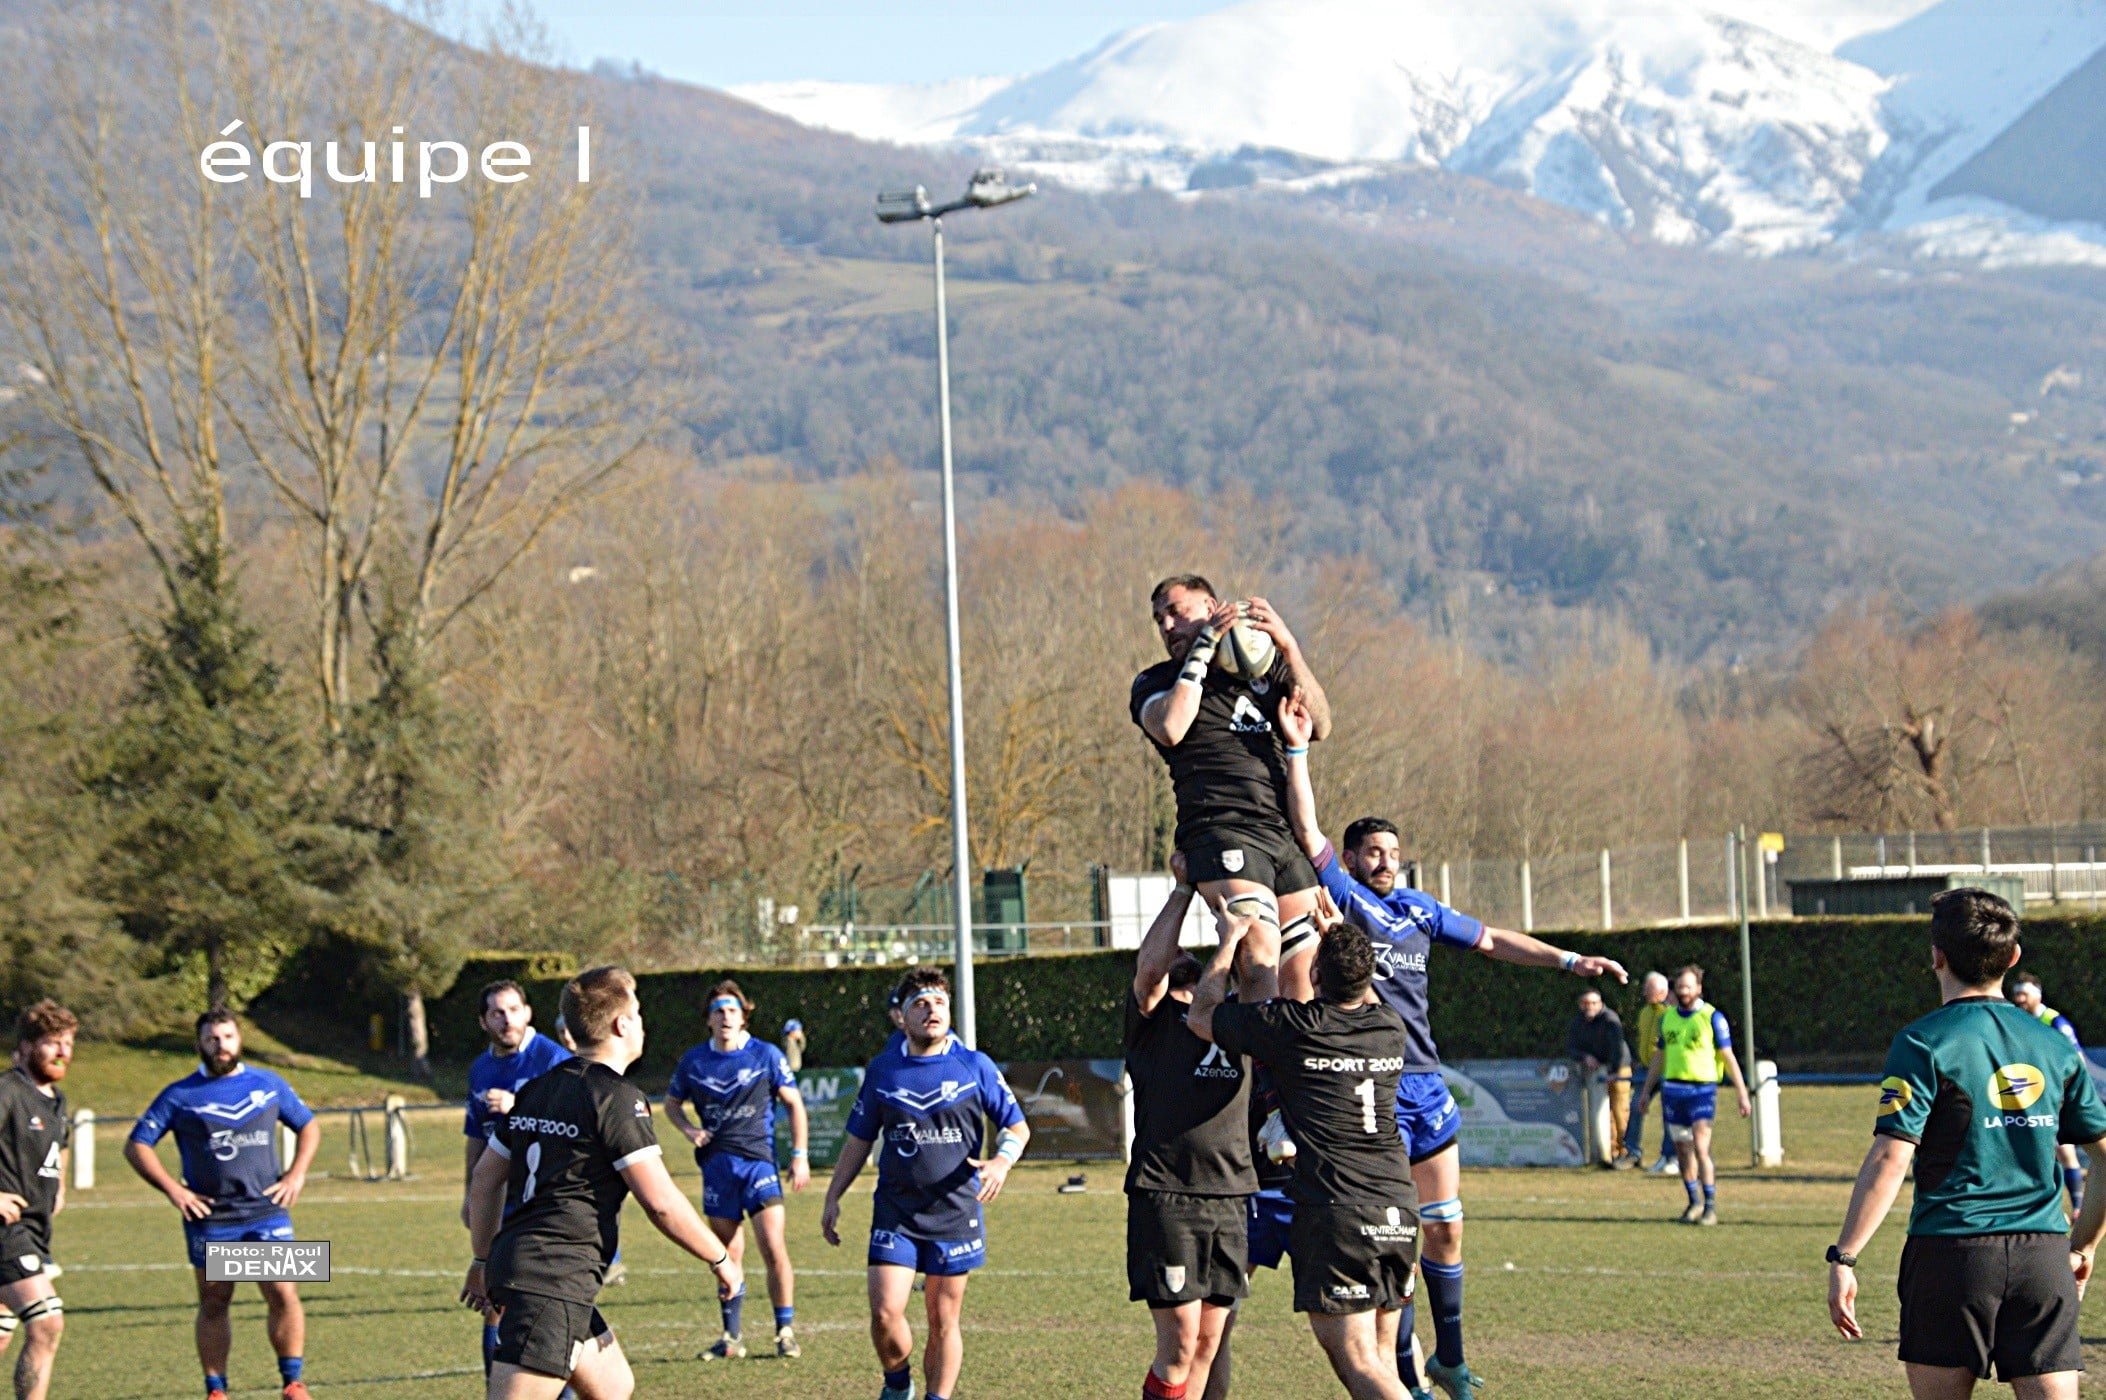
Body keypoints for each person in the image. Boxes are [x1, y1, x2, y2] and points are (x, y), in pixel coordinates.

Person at [1277, 695, 1625, 1400]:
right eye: (1372, 852)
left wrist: (1567, 962)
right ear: (1349, 859)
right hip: (1373, 1087)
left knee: (1448, 1231)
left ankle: (1450, 1358)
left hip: (1427, 1084)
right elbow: (1305, 825)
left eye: (1393, 854)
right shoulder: (1344, 897)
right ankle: (1405, 1374)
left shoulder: (1418, 911)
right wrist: (1298, 751)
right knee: (1396, 1243)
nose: (1384, 862)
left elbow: (1494, 940)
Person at [1828, 888, 2106, 1400]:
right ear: (2013, 958)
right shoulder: (2053, 1045)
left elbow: (1892, 1156)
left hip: (1950, 1253)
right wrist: (2081, 1245)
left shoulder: (1922, 1040)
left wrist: (1844, 1258)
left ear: (1937, 957)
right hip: (2043, 1257)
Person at [461, 965, 742, 1400]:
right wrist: (721, 1259)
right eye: (639, 1012)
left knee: (613, 1386)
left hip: (527, 1267)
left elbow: (484, 1179)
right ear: (621, 1023)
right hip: (553, 1280)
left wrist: (482, 1260)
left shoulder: (539, 1088)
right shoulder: (618, 1099)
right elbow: (661, 1203)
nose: (643, 1023)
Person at [1191, 915, 1418, 1400]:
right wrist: (1339, 932)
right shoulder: (1389, 1028)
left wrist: (1229, 943)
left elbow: (1199, 1017)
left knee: (1358, 1362)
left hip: (1340, 1208)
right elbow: (1362, 991)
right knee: (1380, 1361)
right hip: (1399, 1206)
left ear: (1315, 974)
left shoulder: (1295, 1027)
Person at [820, 967, 1029, 1400]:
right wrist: (834, 1194)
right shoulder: (882, 1071)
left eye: (939, 1002)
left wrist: (1001, 1162)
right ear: (900, 1017)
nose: (931, 1009)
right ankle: (898, 1383)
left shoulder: (975, 1066)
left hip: (955, 1212)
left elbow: (1017, 1127)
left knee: (943, 1320)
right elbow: (859, 1139)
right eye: (920, 1003)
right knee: (884, 1314)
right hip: (896, 1213)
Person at [1132, 574, 1332, 1000]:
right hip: (1220, 829)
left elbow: (1322, 725)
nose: (1167, 627)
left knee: (1308, 975)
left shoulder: (1261, 669)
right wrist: (1202, 649)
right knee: (1258, 953)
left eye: (1176, 612)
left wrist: (1289, 647)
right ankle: (1256, 1064)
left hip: (1284, 835)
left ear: (1212, 608)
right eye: (1159, 620)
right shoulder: (1156, 681)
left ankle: (1292, 1066)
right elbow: (1170, 728)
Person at [125, 1010, 320, 1400]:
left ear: (239, 1039)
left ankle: (292, 1383)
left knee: (283, 1292)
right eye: (212, 1039)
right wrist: (174, 1191)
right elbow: (136, 1145)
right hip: (212, 1218)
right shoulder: (180, 1095)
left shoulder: (267, 1083)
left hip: (265, 1210)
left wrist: (296, 1174)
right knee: (215, 1300)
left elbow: (308, 1125)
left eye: (227, 1037)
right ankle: (216, 1389)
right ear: (199, 1043)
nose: (221, 1045)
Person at [1126, 871, 1256, 1400]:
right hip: (1169, 1193)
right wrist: (1184, 889)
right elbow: (1152, 967)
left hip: (1229, 1194)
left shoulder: (1240, 1019)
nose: (1177, 950)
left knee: (1207, 1342)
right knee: (1178, 1345)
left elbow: (1264, 972)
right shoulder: (1153, 1018)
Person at [663, 980, 811, 1361]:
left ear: (744, 1017)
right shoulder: (694, 1061)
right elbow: (672, 1104)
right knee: (726, 1254)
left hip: (758, 1162)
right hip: (717, 1166)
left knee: (773, 1246)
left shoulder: (766, 1054)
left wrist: (799, 1154)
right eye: (718, 1011)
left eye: (732, 1010)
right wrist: (689, 1129)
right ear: (708, 1020)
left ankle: (785, 1332)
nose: (725, 1016)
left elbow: (794, 1104)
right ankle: (731, 1337)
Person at [464, 980, 579, 1373]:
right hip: (502, 1202)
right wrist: (471, 1195)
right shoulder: (481, 1068)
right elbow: (476, 1136)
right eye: (497, 1012)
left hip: (545, 1200)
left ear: (528, 1012)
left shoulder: (553, 1059)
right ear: (483, 1021)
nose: (506, 1019)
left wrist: (519, 1106)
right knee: (494, 1304)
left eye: (513, 1009)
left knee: (549, 1305)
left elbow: (575, 1123)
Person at [1639, 965, 1752, 1226]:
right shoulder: (1667, 1019)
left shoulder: (1712, 1017)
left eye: (1689, 986)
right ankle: (1693, 1201)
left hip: (1702, 1090)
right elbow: (1659, 1057)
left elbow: (1728, 1056)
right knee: (1682, 1150)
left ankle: (1710, 1206)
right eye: (1681, 986)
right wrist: (1646, 1091)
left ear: (1699, 988)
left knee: (1701, 1147)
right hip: (1673, 1090)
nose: (1685, 991)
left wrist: (1741, 1093)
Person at [0, 1001, 74, 1400]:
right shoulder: (8, 1091)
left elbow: (61, 1144)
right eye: (51, 1043)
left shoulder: (56, 1100)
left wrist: (58, 1186)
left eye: (67, 1043)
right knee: (47, 1323)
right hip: (6, 1231)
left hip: (34, 1229)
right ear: (26, 1048)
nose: (62, 1051)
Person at [2008, 973, 2086, 1215]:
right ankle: (2048, 1207)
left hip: (2053, 1096)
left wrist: (2067, 1093)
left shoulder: (2054, 1023)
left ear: (2038, 996)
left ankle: (2076, 1208)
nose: (2020, 998)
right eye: (2017, 993)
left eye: (2025, 994)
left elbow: (2077, 1059)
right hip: (2028, 1095)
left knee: (2063, 1150)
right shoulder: (2017, 1021)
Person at [1564, 989, 1632, 1167]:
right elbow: (1570, 1047)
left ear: (1600, 1003)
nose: (1590, 1007)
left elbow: (1616, 1046)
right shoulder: (1577, 1022)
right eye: (1586, 1004)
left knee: (1620, 1110)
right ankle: (1608, 1154)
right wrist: (1584, 1056)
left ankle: (1626, 1152)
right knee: (1603, 1113)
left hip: (1618, 1067)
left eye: (1594, 1003)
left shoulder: (1610, 1019)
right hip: (1597, 1069)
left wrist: (1614, 1070)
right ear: (1581, 1005)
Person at [1621, 972, 1675, 1172]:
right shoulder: (1644, 1012)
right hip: (1647, 1070)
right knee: (1636, 1106)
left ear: (1662, 991)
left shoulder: (1670, 1014)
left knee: (1669, 1114)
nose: (1644, 991)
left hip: (1668, 1071)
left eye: (1648, 988)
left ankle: (1669, 1156)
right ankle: (1632, 1152)